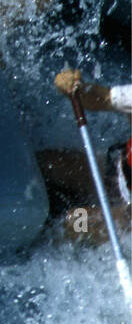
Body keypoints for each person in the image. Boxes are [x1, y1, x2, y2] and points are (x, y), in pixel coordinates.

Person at [39, 68, 131, 243]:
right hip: (117, 171)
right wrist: (77, 88)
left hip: (128, 217)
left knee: (74, 222)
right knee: (46, 162)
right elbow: (101, 97)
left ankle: (41, 243)